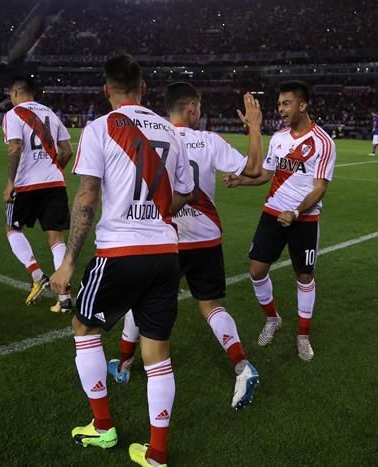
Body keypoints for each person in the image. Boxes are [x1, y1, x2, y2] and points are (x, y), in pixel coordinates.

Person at [50, 55, 194, 467]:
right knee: (157, 354)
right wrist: (158, 210)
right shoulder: (171, 130)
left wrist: (68, 264)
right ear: (143, 87)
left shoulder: (99, 129)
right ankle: (157, 453)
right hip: (166, 254)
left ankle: (102, 427)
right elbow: (183, 193)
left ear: (105, 88)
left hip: (120, 252)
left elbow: (87, 197)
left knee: (83, 326)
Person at [107, 82, 263, 410]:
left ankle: (122, 365)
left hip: (166, 238)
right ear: (191, 108)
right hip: (206, 238)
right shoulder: (208, 141)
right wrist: (255, 128)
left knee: (141, 300)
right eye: (200, 107)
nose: (200, 112)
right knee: (210, 305)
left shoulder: (154, 135)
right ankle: (241, 365)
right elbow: (253, 170)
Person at [223, 80, 336, 362]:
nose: (280, 109)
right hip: (273, 213)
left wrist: (296, 212)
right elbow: (265, 174)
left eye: (286, 103)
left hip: (304, 219)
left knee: (304, 276)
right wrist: (240, 179)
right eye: (279, 104)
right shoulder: (279, 138)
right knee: (257, 270)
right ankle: (272, 319)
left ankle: (303, 336)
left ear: (302, 105)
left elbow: (320, 186)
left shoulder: (323, 142)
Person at [2, 75, 74, 311]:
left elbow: (14, 147)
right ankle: (64, 299)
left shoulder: (13, 115)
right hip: (55, 183)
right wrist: (53, 169)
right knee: (56, 238)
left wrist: (11, 181)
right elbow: (67, 150)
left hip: (27, 185)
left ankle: (37, 275)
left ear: (15, 93)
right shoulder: (51, 114)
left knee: (12, 228)